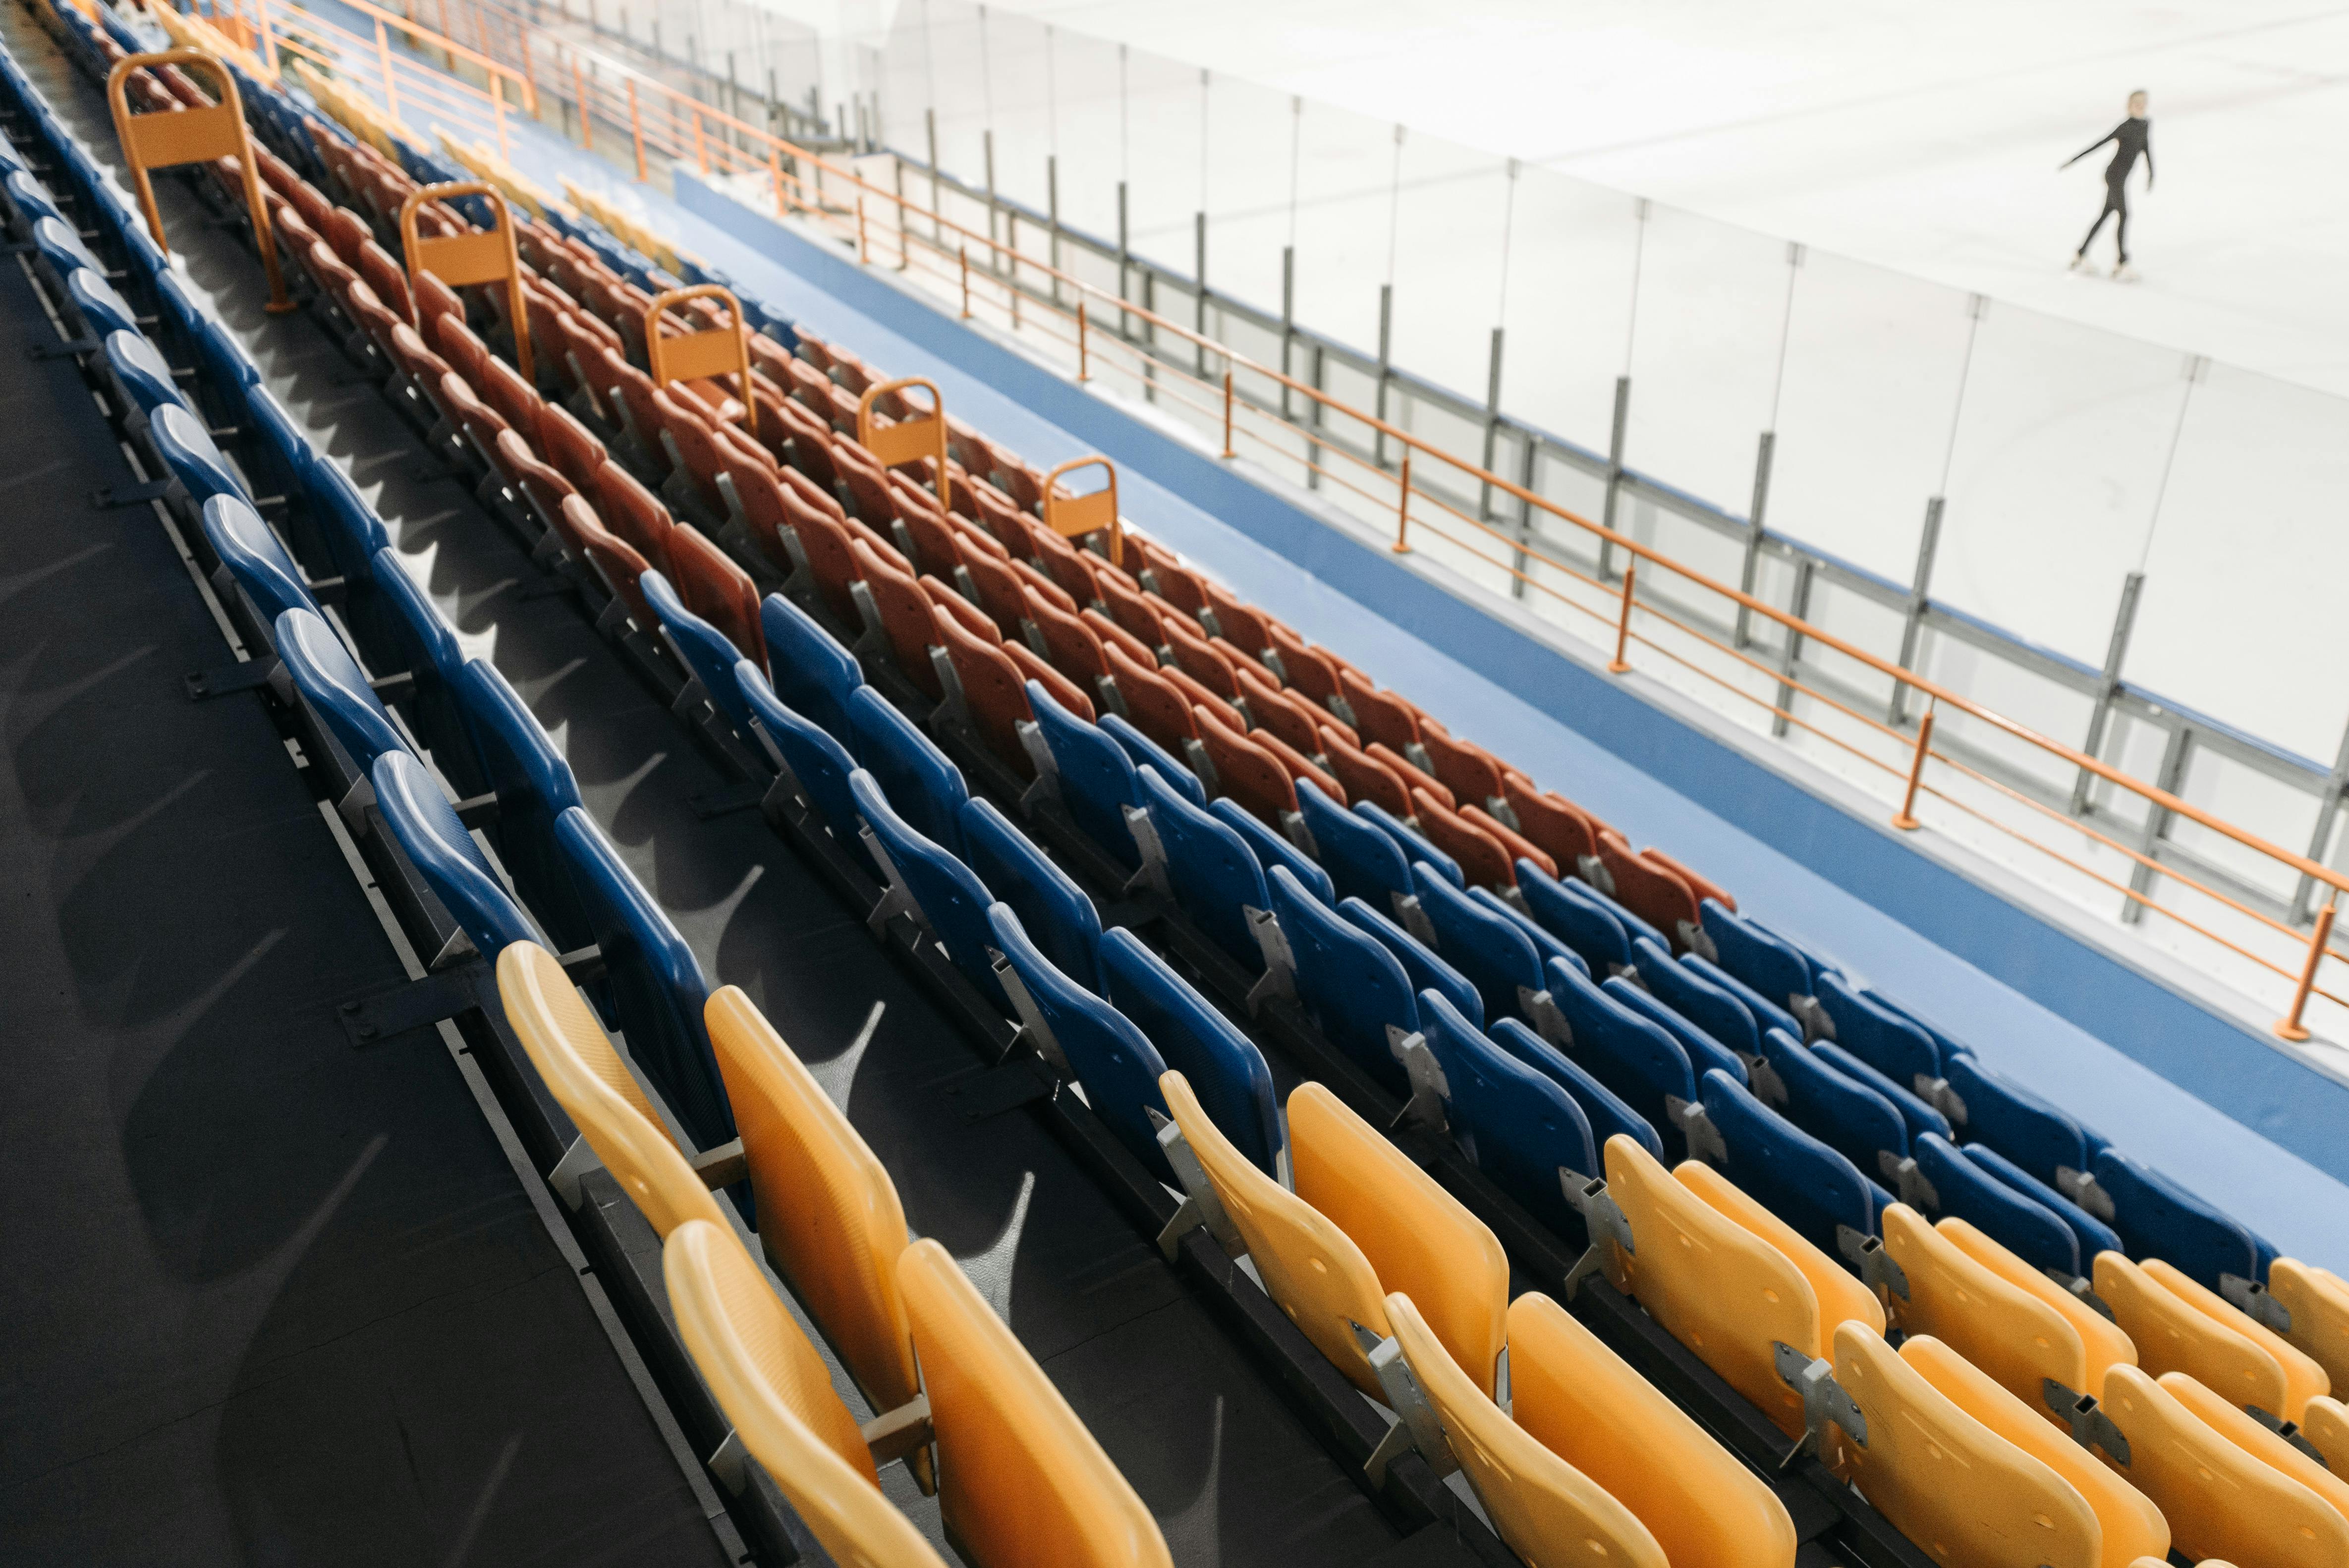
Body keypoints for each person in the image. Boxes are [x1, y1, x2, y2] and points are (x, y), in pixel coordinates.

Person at [2065, 90, 2153, 279]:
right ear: (2129, 106)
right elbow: (2100, 143)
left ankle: (2080, 253)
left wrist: (2151, 172)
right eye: (2136, 103)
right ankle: (2122, 262)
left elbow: (2146, 148)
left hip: (2121, 178)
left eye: (2143, 103)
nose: (2140, 106)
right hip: (2114, 176)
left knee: (2105, 215)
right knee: (2124, 214)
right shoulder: (2125, 127)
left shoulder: (2146, 125)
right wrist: (2074, 159)